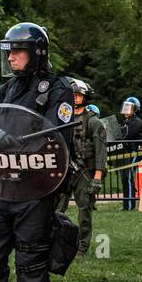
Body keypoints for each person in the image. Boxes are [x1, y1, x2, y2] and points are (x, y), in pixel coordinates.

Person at [0, 22, 80, 282]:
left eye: (18, 51)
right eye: (8, 51)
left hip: (34, 191)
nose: (11, 57)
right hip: (0, 191)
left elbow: (57, 136)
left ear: (37, 53)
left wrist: (21, 144)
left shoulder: (57, 90)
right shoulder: (4, 91)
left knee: (30, 266)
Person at [53, 80, 107, 255]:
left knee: (84, 211)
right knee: (56, 209)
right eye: (72, 95)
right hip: (66, 171)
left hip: (85, 172)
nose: (75, 98)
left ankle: (82, 247)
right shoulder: (63, 118)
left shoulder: (93, 122)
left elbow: (100, 153)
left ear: (85, 97)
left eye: (78, 95)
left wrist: (97, 178)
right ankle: (56, 244)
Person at [119, 96, 142, 210]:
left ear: (134, 109)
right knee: (125, 178)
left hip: (135, 152)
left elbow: (126, 136)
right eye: (125, 107)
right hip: (127, 152)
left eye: (129, 108)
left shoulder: (136, 122)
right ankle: (126, 205)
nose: (126, 110)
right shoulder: (126, 122)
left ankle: (130, 206)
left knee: (129, 177)